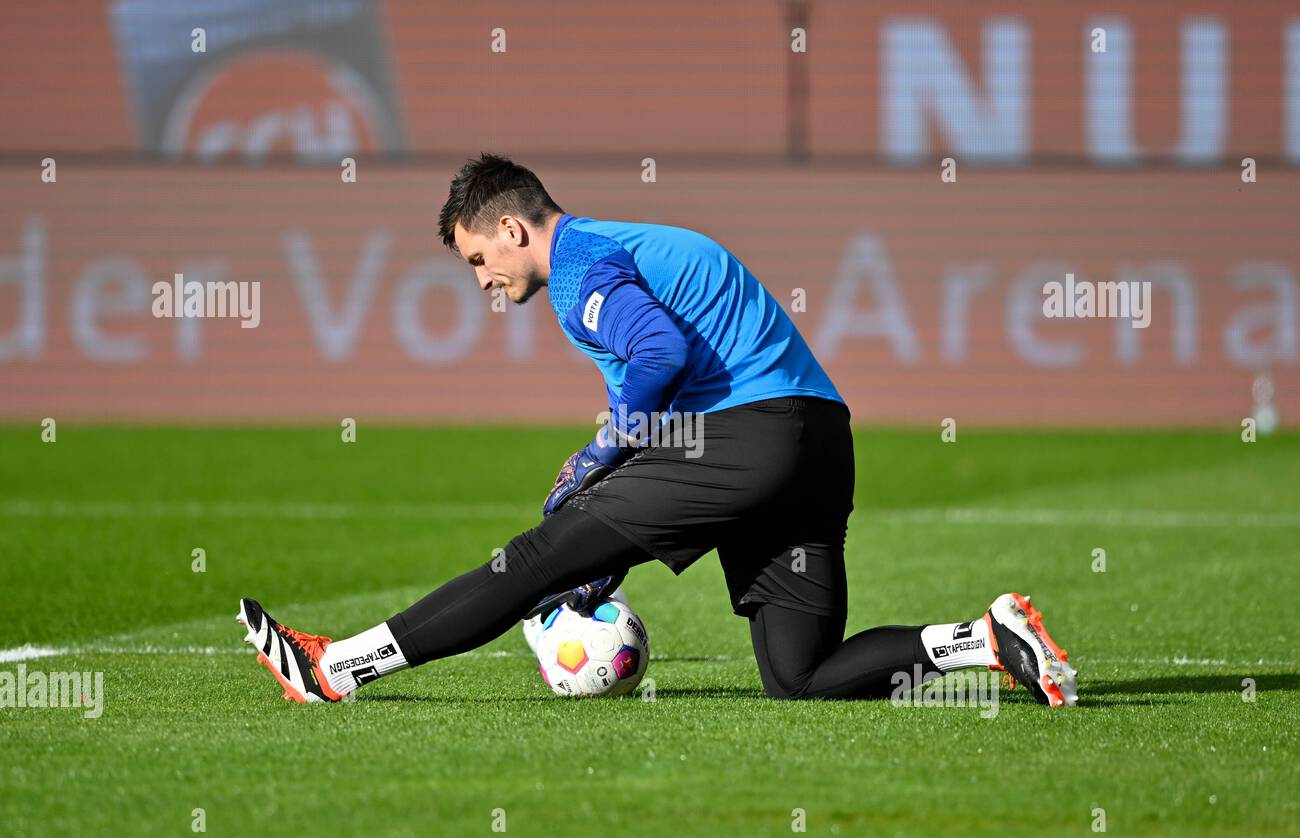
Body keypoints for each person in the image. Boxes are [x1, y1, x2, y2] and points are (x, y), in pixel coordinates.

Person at [236, 153, 1078, 708]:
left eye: (477, 260)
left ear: (510, 227)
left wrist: (602, 454)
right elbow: (667, 384)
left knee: (531, 561)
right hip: (818, 441)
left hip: (749, 436)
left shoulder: (578, 267)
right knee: (799, 675)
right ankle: (983, 639)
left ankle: (334, 668)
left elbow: (660, 352)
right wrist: (607, 492)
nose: (483, 281)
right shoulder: (618, 246)